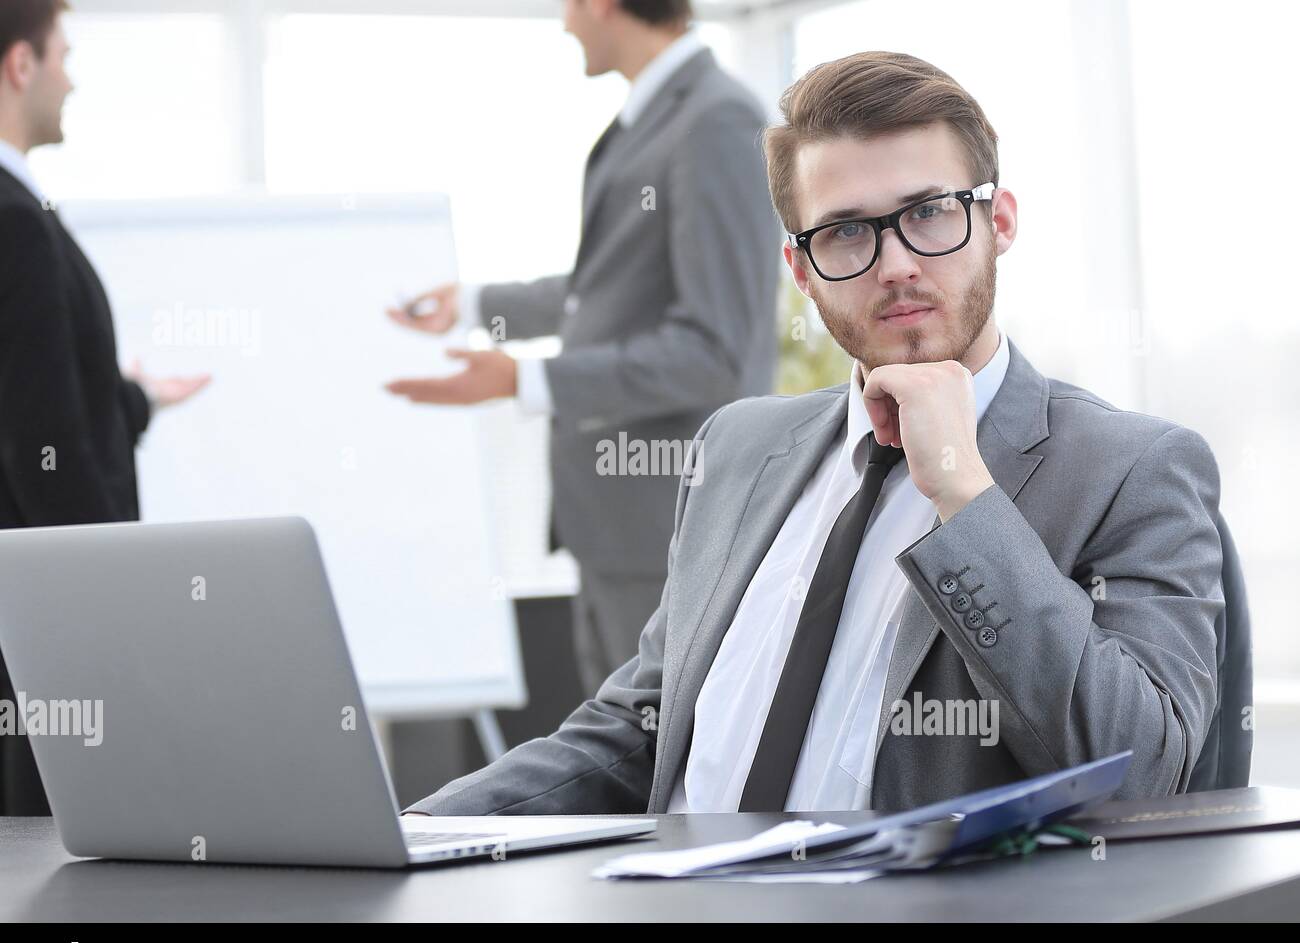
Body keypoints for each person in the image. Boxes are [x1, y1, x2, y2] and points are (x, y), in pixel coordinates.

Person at [403, 50, 1227, 816]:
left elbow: (1143, 769)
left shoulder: (1131, 470)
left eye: (932, 212)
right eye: (845, 232)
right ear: (800, 269)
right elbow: (639, 728)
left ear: (999, 222)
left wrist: (964, 497)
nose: (897, 262)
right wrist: (413, 833)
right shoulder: (738, 449)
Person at [384, 0, 779, 697]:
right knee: (625, 761)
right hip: (618, 529)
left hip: (670, 526)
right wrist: (476, 305)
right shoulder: (659, 119)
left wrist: (526, 379)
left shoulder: (715, 121)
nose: (564, 23)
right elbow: (614, 284)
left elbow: (713, 351)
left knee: (661, 767)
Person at [0, 0, 210, 815]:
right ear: (21, 65)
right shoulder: (16, 221)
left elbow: (31, 401)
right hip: (45, 621)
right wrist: (116, 599)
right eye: (63, 56)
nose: (72, 79)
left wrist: (133, 399)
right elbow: (37, 439)